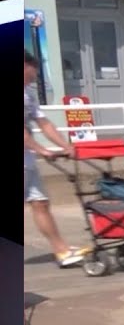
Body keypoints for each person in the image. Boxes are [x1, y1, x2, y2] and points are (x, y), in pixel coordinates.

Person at [24, 51, 90, 267]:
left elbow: (44, 123)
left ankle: (61, 251)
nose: (35, 75)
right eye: (33, 69)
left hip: (28, 159)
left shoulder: (28, 94)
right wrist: (41, 149)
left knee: (40, 203)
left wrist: (65, 146)